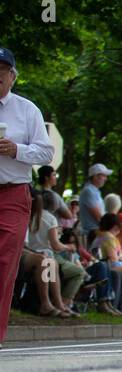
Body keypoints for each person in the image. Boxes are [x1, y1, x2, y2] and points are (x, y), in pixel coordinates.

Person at [0, 47, 56, 345]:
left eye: (2, 69)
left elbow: (47, 151)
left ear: (12, 75)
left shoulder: (27, 109)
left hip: (12, 194)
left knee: (5, 261)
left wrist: (17, 150)